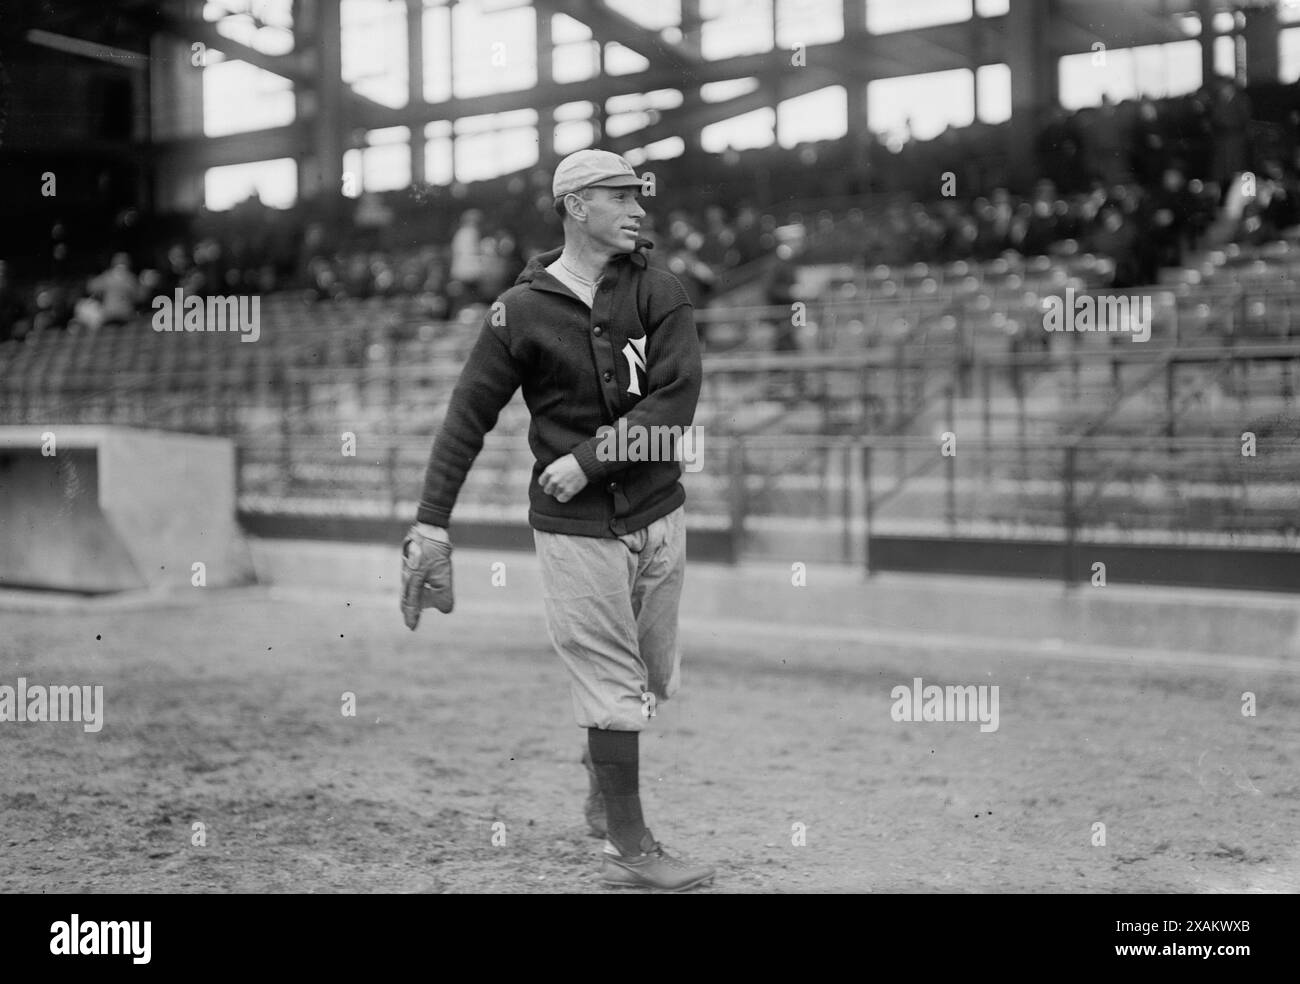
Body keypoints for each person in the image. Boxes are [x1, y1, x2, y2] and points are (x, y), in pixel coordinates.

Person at [400, 149, 713, 892]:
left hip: (660, 513)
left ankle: (602, 778)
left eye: (640, 196)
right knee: (611, 685)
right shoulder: (520, 311)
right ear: (576, 206)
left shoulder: (662, 292)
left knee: (652, 680)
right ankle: (630, 847)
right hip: (574, 531)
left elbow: (677, 405)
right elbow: (466, 418)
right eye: (621, 197)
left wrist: (590, 460)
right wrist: (431, 524)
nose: (640, 209)